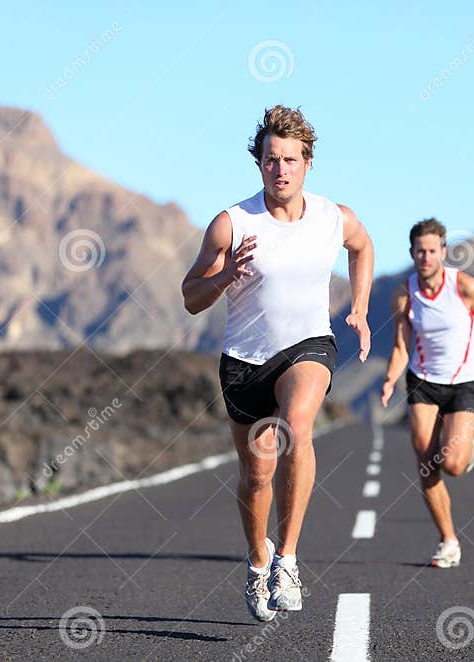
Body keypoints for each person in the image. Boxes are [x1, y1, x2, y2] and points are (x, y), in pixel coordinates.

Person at [182, 105, 373, 621]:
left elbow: (363, 245)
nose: (280, 169)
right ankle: (257, 558)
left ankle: (287, 558)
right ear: (259, 163)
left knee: (297, 427)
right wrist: (224, 279)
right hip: (244, 361)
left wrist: (357, 306)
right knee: (257, 474)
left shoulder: (334, 217)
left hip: (308, 345)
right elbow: (190, 296)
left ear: (307, 163)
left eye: (290, 159)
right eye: (271, 159)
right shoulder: (232, 223)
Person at [380, 218, 474, 568]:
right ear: (412, 253)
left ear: (444, 252)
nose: (426, 256)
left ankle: (464, 448)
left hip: (466, 380)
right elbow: (402, 345)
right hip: (423, 380)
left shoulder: (465, 287)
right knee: (425, 461)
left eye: (433, 250)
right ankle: (448, 540)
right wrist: (391, 378)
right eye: (420, 250)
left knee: (452, 464)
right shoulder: (404, 294)